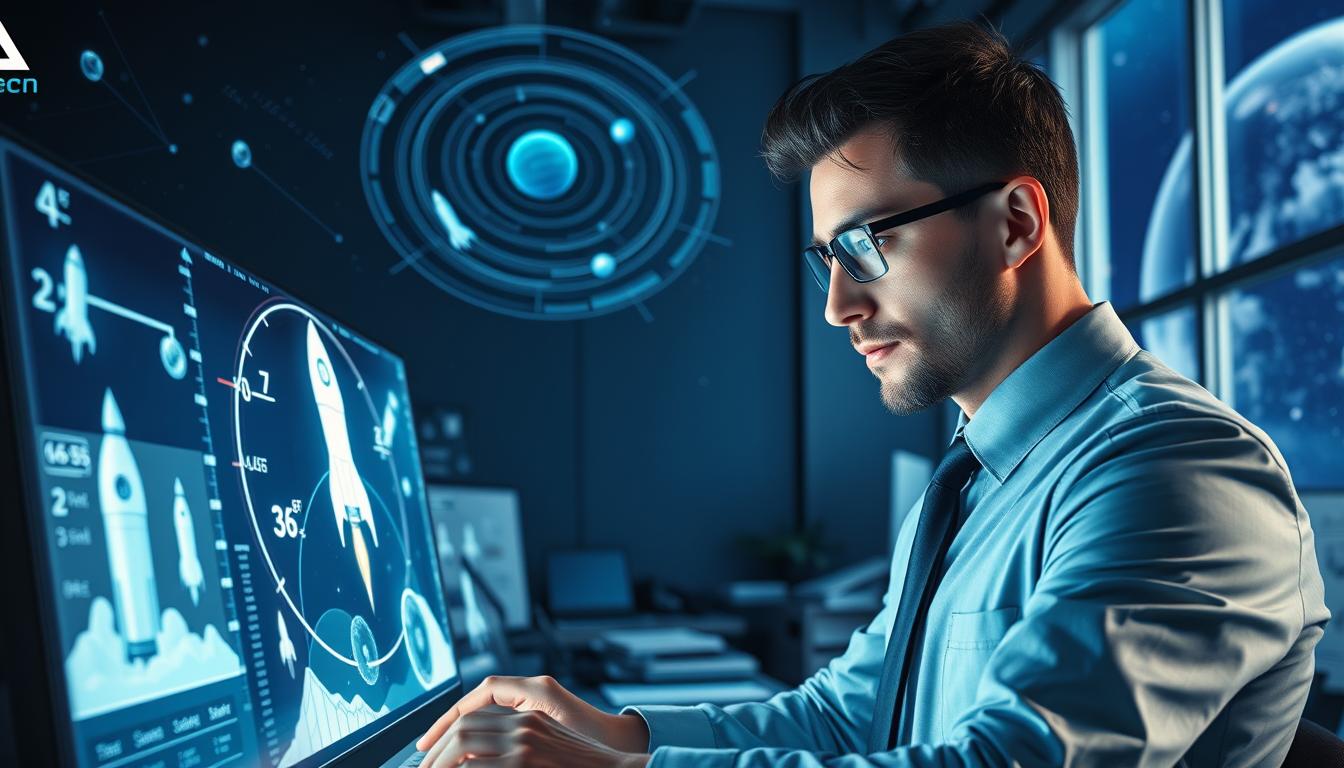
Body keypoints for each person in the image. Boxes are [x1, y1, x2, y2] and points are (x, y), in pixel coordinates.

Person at [413, 21, 1328, 767]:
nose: (840, 307)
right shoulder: (977, 478)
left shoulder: (1176, 468)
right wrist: (619, 735)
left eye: (866, 246)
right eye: (827, 261)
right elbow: (854, 716)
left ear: (1015, 225)